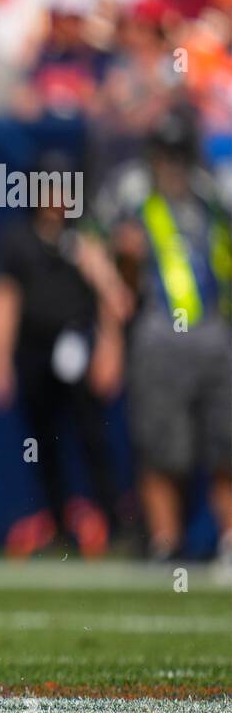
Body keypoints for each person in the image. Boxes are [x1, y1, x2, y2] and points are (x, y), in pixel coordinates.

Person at [0, 153, 132, 558]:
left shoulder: (87, 236)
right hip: (35, 352)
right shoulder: (17, 238)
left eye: (64, 188)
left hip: (80, 346)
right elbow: (3, 298)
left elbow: (115, 303)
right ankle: (60, 527)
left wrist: (110, 348)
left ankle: (116, 528)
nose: (56, 197)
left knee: (92, 438)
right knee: (43, 443)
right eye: (49, 187)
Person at [99, 111, 232, 565]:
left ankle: (228, 541)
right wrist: (119, 280)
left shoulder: (213, 189)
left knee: (224, 440)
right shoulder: (130, 190)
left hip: (215, 328)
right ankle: (165, 542)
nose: (172, 165)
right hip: (156, 329)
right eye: (165, 154)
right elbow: (91, 243)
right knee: (159, 442)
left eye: (179, 154)